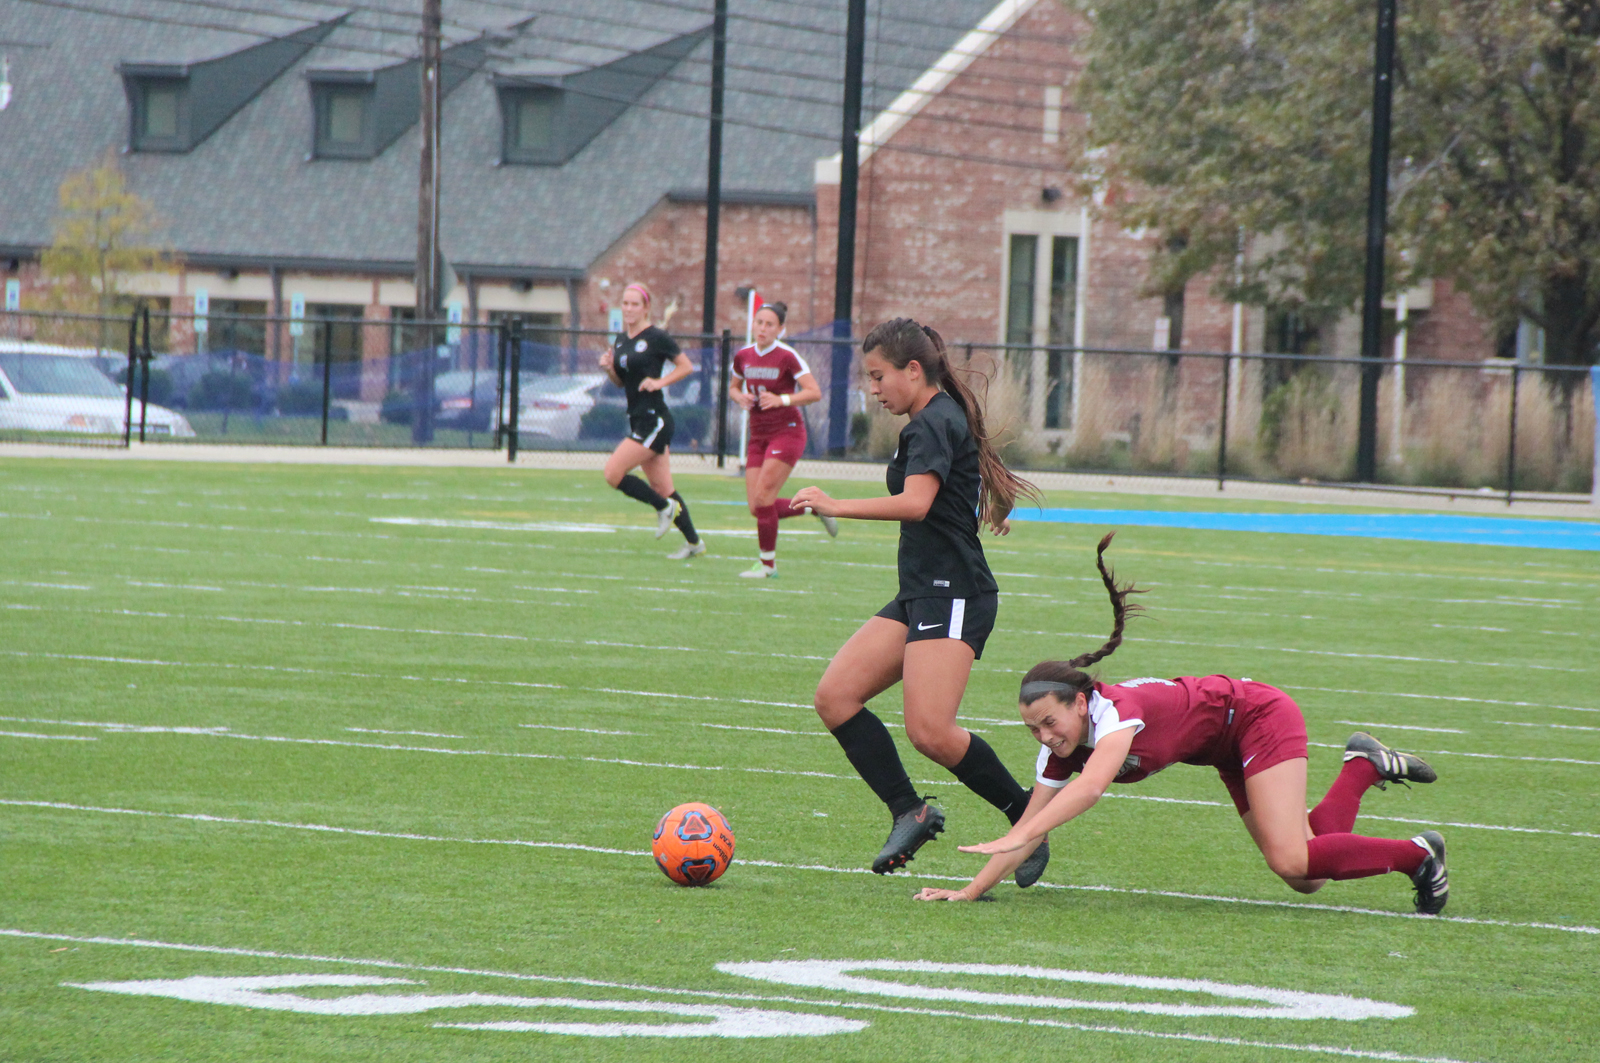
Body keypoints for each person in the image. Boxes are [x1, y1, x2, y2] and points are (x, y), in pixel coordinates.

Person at [914, 533, 1449, 914]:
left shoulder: (1116, 713)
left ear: (1080, 703)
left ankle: (1419, 857)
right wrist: (968, 891)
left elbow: (1093, 788)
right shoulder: (1061, 748)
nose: (1046, 737)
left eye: (1050, 722)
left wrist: (1024, 831)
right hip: (1223, 746)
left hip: (1258, 717)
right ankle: (1360, 768)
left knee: (1292, 857)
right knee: (1305, 877)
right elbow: (1025, 834)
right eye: (1034, 730)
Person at [791, 317, 1049, 885]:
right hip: (923, 591)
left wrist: (834, 505)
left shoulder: (933, 422)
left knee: (930, 731)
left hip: (954, 591)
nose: (873, 389)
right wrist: (994, 503)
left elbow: (916, 503)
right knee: (836, 697)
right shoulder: (937, 419)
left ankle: (1027, 821)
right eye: (868, 378)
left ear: (914, 370)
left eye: (879, 377)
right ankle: (909, 810)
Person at [729, 300, 835, 579]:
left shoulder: (787, 356)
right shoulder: (743, 355)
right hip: (758, 435)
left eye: (769, 324)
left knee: (764, 498)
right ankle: (812, 507)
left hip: (787, 431)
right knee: (757, 506)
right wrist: (739, 396)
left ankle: (767, 566)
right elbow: (733, 386)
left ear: (781, 329)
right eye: (759, 323)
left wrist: (781, 399)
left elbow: (814, 392)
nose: (762, 328)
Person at [597, 282, 703, 558]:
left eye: (635, 304)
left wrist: (660, 382)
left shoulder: (656, 336)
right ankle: (694, 544)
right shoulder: (620, 340)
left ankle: (664, 508)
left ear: (646, 308)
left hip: (655, 420)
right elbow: (621, 383)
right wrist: (610, 369)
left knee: (613, 473)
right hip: (637, 419)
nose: (629, 308)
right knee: (664, 488)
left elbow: (686, 366)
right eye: (626, 303)